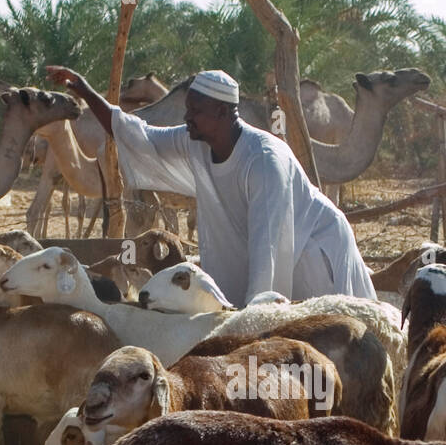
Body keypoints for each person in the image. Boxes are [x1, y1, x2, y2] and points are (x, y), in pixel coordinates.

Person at [46, 66, 376, 306]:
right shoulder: (197, 141)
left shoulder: (263, 160)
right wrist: (86, 91)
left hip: (312, 248)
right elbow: (137, 135)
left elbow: (270, 246)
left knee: (315, 339)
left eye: (196, 111)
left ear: (222, 111)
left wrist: (250, 321)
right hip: (283, 252)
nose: (187, 118)